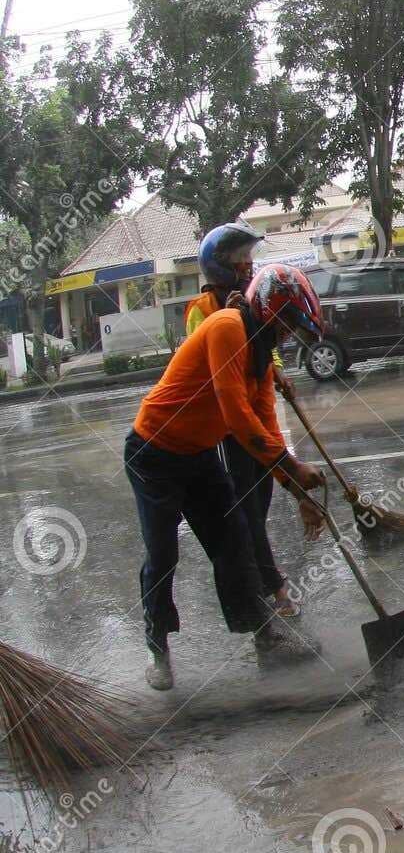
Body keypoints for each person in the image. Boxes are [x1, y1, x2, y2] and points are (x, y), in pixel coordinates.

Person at [126, 264, 328, 691]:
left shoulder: (258, 357)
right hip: (154, 453)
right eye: (289, 322)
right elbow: (236, 416)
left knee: (236, 541)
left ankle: (266, 639)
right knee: (162, 555)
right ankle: (157, 645)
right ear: (270, 311)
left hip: (198, 456)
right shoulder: (227, 329)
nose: (291, 334)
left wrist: (298, 494)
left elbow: (266, 428)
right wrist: (293, 470)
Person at [187, 222, 301, 618]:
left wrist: (277, 370)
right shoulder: (201, 311)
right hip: (228, 424)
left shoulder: (252, 300)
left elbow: (263, 343)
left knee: (261, 500)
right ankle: (271, 586)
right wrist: (227, 313)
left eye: (249, 263)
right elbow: (213, 358)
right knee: (247, 507)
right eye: (239, 264)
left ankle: (265, 574)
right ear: (218, 268)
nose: (247, 271)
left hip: (257, 411)